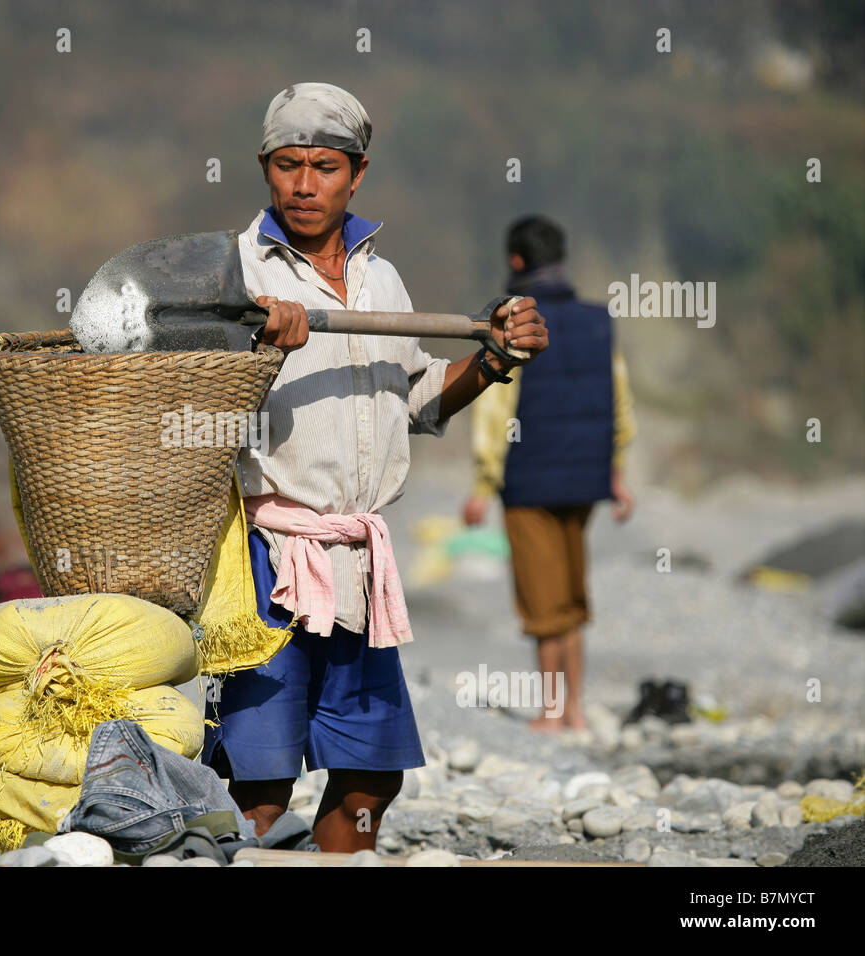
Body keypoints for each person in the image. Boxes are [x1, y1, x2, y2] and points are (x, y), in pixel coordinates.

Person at [200, 82, 549, 852]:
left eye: (323, 167)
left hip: (359, 561)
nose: (303, 185)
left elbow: (419, 396)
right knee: (259, 778)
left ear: (356, 174)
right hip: (269, 558)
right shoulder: (234, 278)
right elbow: (196, 412)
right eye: (287, 165)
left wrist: (493, 358)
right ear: (264, 168)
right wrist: (257, 352)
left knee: (371, 773)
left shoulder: (379, 279)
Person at [462, 215, 636, 732]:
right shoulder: (597, 321)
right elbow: (619, 402)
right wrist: (617, 474)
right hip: (585, 478)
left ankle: (554, 711)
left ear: (516, 260)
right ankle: (575, 708)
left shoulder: (517, 322)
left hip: (531, 480)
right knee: (571, 591)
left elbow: (496, 408)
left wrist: (481, 485)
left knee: (543, 600)